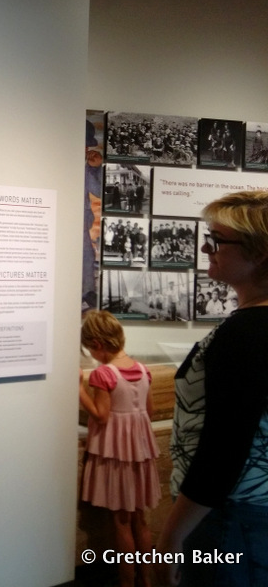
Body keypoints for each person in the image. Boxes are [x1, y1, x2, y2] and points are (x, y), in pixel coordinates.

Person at [158, 191, 268, 586]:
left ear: (259, 253)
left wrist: (169, 539)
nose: (207, 246)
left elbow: (224, 449)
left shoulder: (247, 333)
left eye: (218, 240)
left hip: (228, 518)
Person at [78, 310, 160, 587]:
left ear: (98, 344)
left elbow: (101, 415)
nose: (91, 353)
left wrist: (79, 389)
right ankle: (145, 581)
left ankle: (126, 583)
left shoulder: (103, 374)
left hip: (116, 454)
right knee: (140, 520)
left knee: (121, 523)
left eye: (89, 348)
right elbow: (148, 411)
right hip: (139, 453)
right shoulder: (142, 369)